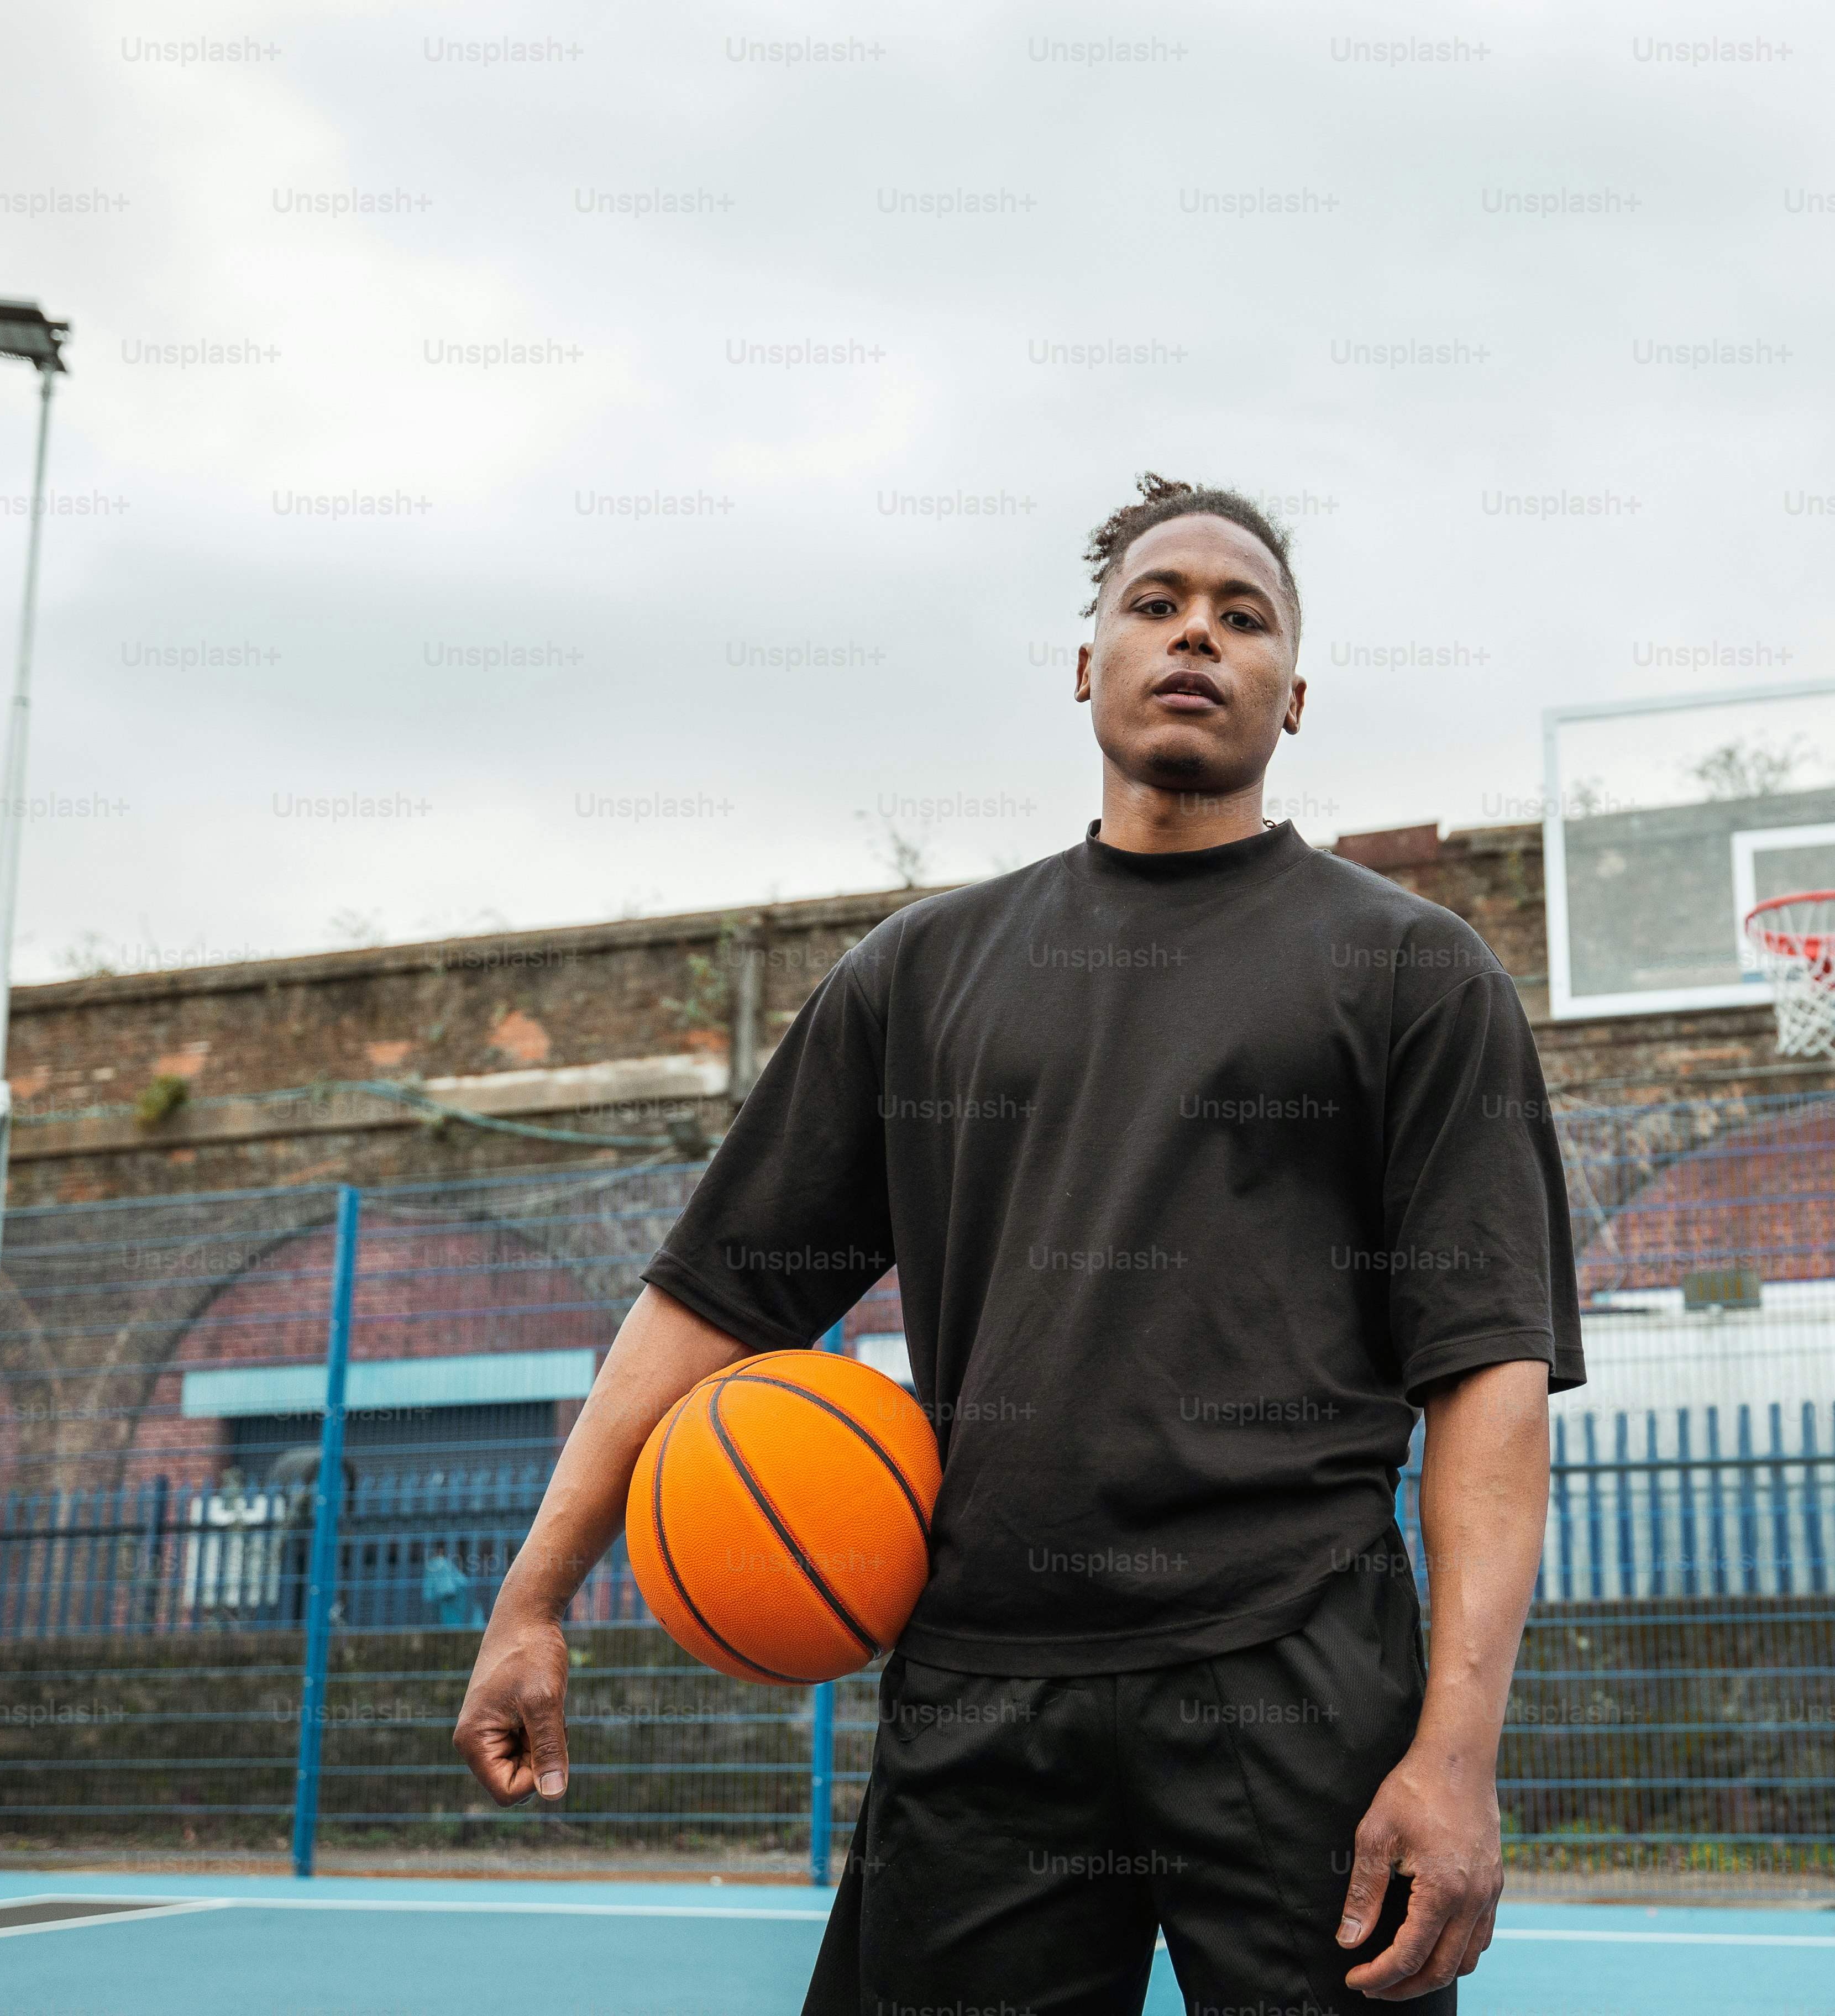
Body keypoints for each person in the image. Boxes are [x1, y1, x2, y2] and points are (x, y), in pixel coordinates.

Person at [454, 474, 1581, 2010]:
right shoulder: (920, 973)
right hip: (985, 1684)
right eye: (1157, 603)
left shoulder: (1412, 972)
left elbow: (1487, 1388)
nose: (1199, 634)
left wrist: (1456, 1754)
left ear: (1293, 694)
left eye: (1243, 617)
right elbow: (716, 1301)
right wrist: (534, 1593)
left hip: (1297, 1673)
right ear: (1086, 666)